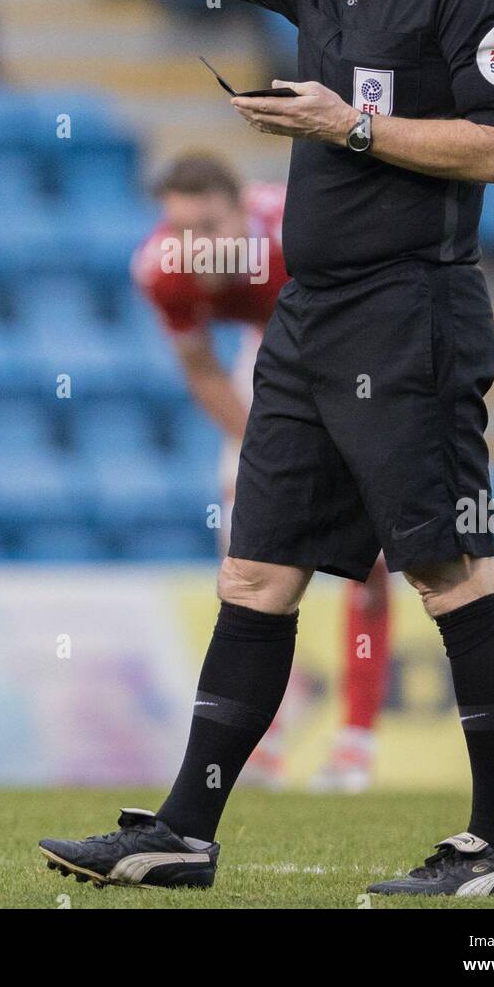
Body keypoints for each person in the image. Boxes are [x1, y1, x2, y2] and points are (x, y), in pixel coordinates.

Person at [38, 0, 494, 896]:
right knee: (254, 578)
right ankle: (183, 831)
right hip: (309, 327)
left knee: (450, 572)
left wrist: (347, 127)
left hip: (411, 317)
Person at [132, 151, 391, 791]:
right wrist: (265, 450)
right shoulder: (162, 271)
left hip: (355, 344)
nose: (196, 247)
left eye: (210, 228)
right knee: (248, 558)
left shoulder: (299, 232)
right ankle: (272, 721)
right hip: (271, 347)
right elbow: (202, 372)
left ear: (244, 210)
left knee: (374, 559)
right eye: (180, 231)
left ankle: (355, 743)